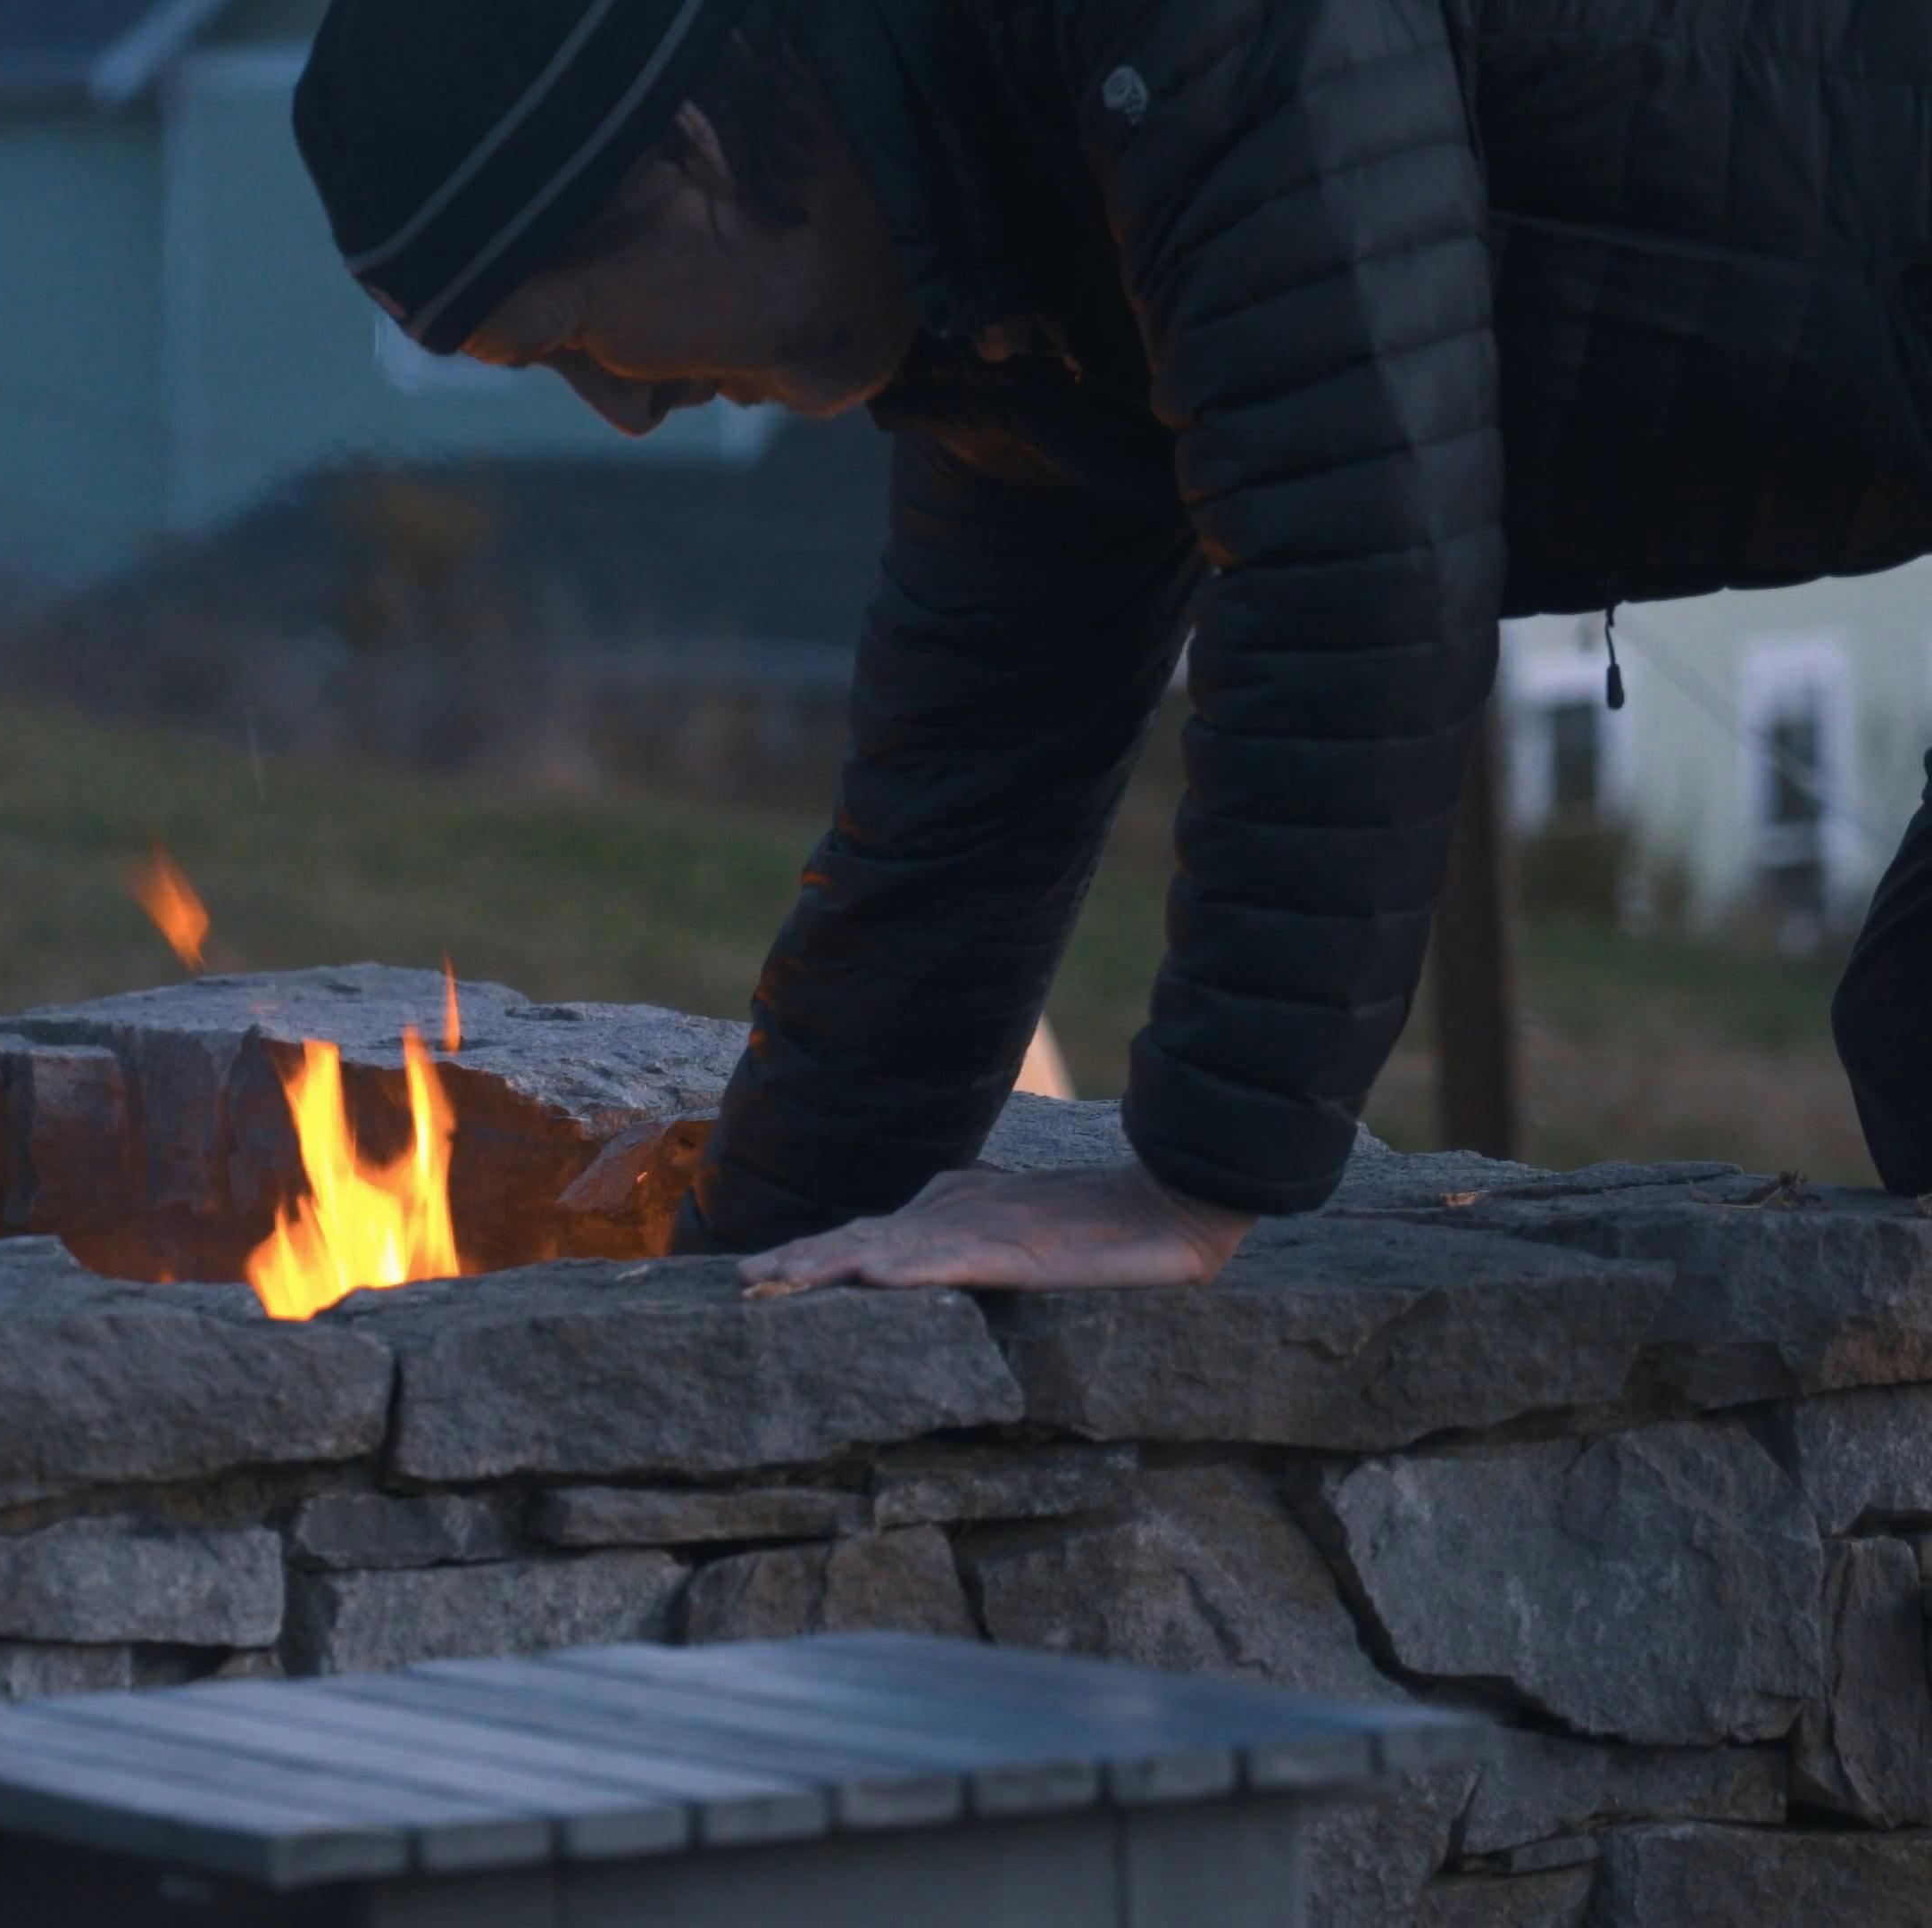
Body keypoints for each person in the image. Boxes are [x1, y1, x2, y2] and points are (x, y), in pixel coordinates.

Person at [291, 0, 1932, 1293]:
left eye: (579, 336)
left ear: (696, 154)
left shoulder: (1164, 31)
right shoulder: (998, 249)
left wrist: (1193, 1184)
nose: (628, 412)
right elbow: (970, 774)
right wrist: (764, 1253)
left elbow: (1355, 533)